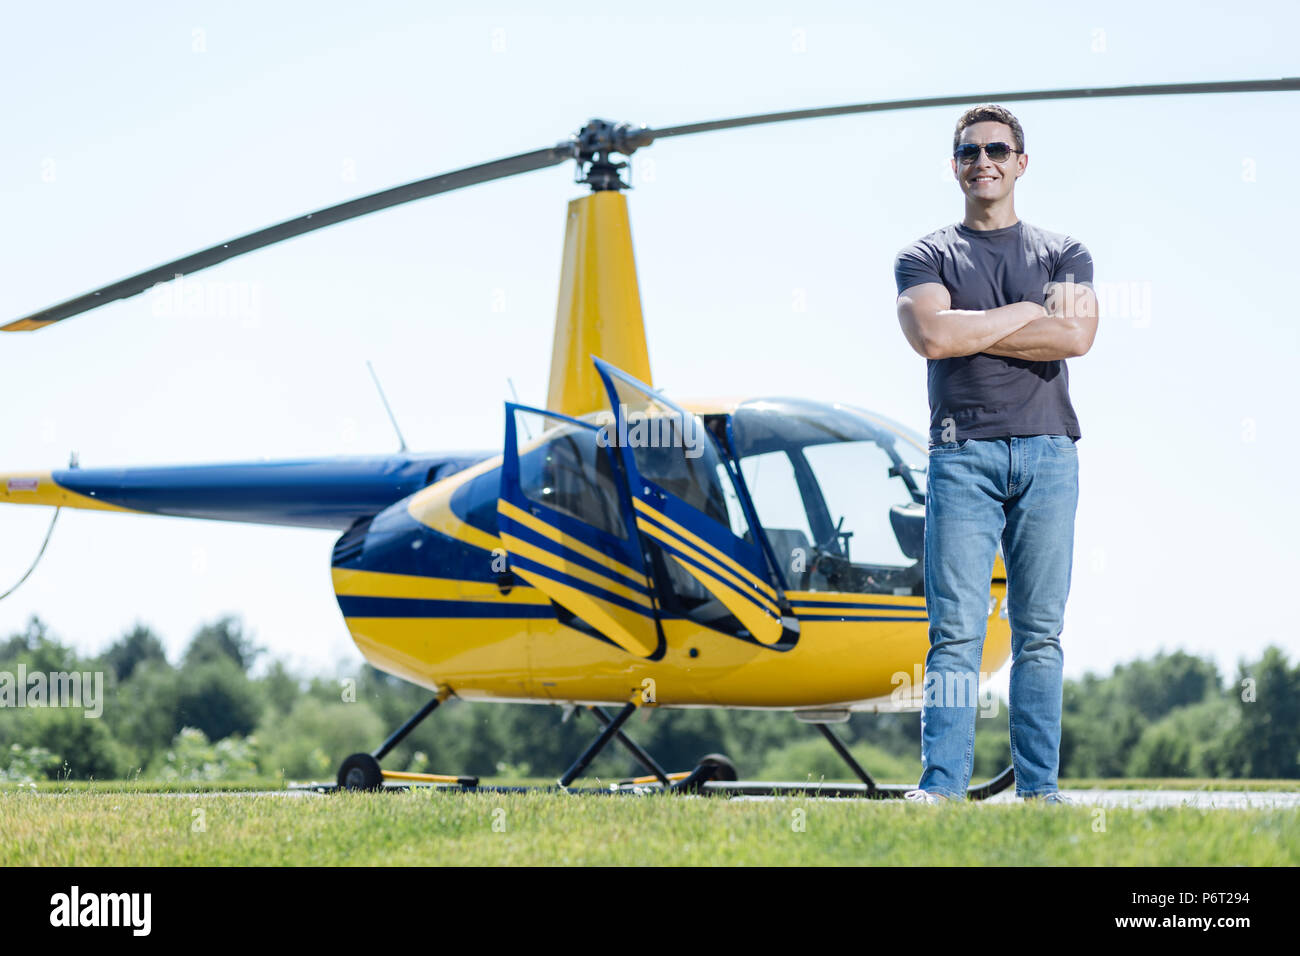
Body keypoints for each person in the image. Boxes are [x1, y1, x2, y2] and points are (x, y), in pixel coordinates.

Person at [892, 104, 1098, 804]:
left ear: (1021, 162)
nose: (985, 160)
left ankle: (1039, 793)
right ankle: (941, 790)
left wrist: (971, 326)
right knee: (955, 634)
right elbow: (933, 339)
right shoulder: (923, 255)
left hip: (1049, 454)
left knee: (1040, 634)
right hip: (962, 456)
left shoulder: (1064, 252)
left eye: (998, 150)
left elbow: (1074, 340)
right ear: (954, 165)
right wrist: (1024, 315)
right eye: (970, 151)